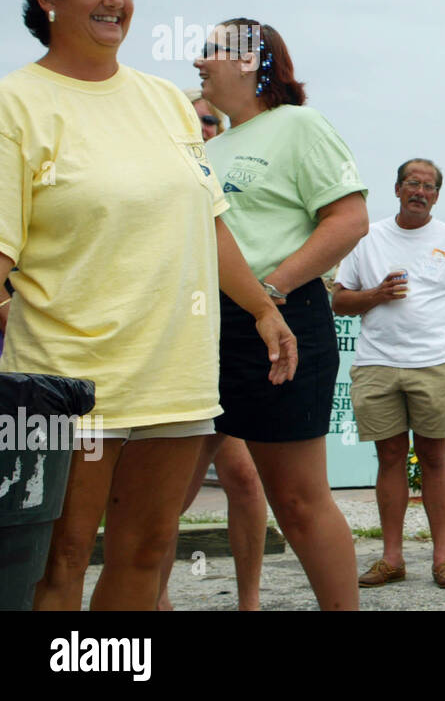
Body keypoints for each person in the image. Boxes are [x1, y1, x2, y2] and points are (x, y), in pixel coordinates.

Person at [0, 0, 296, 611]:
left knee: (146, 552)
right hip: (70, 382)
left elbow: (207, 218)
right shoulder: (16, 104)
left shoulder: (165, 101)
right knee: (63, 558)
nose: (114, 0)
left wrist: (261, 308)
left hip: (176, 372)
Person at [194, 17, 369, 610]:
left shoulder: (299, 126)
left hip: (282, 322)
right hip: (200, 329)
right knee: (156, 499)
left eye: (209, 51)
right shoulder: (206, 147)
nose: (198, 62)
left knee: (296, 501)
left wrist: (269, 290)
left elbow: (348, 220)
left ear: (249, 60)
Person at [332, 158, 445, 589]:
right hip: (377, 363)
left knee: (436, 458)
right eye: (412, 184)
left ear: (437, 195)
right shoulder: (368, 238)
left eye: (429, 187)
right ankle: (392, 558)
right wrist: (377, 294)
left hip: (436, 364)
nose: (420, 192)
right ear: (397, 189)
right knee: (390, 458)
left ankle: (443, 558)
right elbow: (339, 301)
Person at [154, 89, 270, 611]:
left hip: (227, 340)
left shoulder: (232, 183)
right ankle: (152, 595)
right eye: (196, 121)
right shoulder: (161, 177)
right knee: (167, 489)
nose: (204, 129)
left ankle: (250, 601)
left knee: (244, 478)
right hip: (171, 344)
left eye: (211, 122)